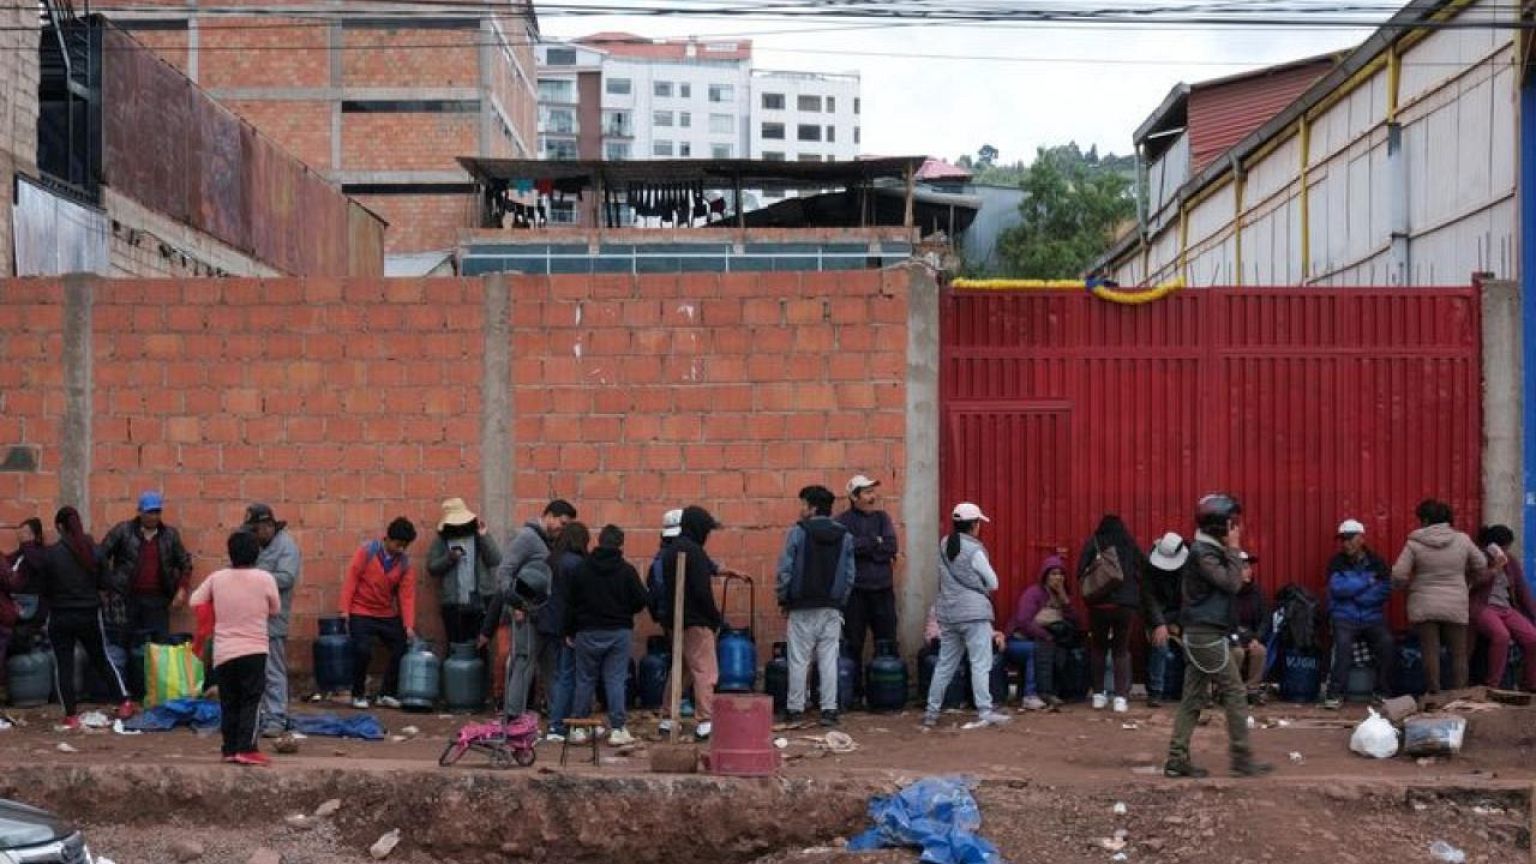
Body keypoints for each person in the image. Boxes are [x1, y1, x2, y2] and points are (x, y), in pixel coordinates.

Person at [1164, 494, 1271, 778]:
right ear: (1219, 527)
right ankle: (1241, 758)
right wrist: (1235, 550)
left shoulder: (1207, 550)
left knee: (1192, 698)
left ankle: (1177, 758)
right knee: (1235, 692)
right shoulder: (1204, 553)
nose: (1236, 528)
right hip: (1205, 636)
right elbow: (1232, 583)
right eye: (1231, 524)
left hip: (1203, 634)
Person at [21, 507, 134, 727]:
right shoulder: (93, 550)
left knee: (64, 666)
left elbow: (42, 588)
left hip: (60, 617)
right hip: (90, 614)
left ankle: (71, 715)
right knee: (102, 658)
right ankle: (124, 702)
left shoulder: (51, 555)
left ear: (60, 527)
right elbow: (105, 582)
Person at [190, 531, 280, 766]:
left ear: (230, 553)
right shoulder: (265, 578)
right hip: (254, 649)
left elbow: (195, 600)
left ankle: (229, 748)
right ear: (257, 553)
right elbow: (275, 609)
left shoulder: (217, 578)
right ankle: (247, 748)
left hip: (223, 651)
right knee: (251, 699)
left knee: (229, 700)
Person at [482, 499, 575, 717]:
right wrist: (516, 602)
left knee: (550, 667)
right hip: (527, 615)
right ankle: (513, 715)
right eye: (562, 522)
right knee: (523, 662)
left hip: (545, 616)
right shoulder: (527, 538)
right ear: (549, 516)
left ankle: (557, 718)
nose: (563, 528)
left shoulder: (548, 542)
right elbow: (504, 572)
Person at [923, 502, 1011, 729]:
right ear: (974, 525)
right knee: (980, 663)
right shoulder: (975, 550)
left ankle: (931, 712)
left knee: (945, 664)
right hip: (974, 613)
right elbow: (994, 582)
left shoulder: (945, 544)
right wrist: (978, 585)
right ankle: (985, 711)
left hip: (948, 612)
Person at [660, 505, 745, 739]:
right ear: (699, 529)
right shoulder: (693, 552)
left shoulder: (673, 550)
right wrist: (715, 618)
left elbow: (706, 568)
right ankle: (705, 721)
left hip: (676, 621)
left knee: (681, 670)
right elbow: (701, 591)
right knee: (705, 671)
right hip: (696, 621)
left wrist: (726, 571)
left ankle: (668, 718)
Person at [776, 485, 855, 726]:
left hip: (801, 606)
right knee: (829, 658)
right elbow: (850, 575)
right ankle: (829, 710)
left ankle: (795, 709)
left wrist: (783, 597)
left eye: (803, 505)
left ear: (812, 508)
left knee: (799, 659)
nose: (801, 510)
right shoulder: (845, 536)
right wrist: (840, 601)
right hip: (831, 606)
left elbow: (785, 570)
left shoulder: (798, 532)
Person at [564, 525, 648, 746]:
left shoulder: (582, 569)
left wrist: (570, 630)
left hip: (587, 632)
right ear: (620, 544)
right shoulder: (626, 571)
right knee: (615, 680)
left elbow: (571, 603)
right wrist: (624, 611)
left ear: (598, 542)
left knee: (584, 680)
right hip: (618, 632)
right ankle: (618, 729)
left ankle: (578, 727)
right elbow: (641, 599)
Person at [1391, 499, 1486, 695]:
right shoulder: (1462, 540)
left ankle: (1434, 692)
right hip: (1455, 602)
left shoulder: (1414, 543)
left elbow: (1399, 574)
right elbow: (1481, 564)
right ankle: (1460, 694)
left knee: (1430, 651)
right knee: (1459, 653)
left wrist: (1408, 587)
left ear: (1425, 520)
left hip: (1424, 603)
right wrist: (1469, 582)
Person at [340, 518, 418, 709]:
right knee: (363, 650)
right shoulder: (367, 551)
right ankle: (357, 694)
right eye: (398, 544)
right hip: (361, 610)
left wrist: (408, 625)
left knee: (401, 645)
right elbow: (351, 579)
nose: (400, 549)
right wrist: (345, 610)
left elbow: (406, 596)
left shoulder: (404, 564)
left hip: (385, 613)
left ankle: (386, 693)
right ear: (388, 539)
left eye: (404, 546)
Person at [99, 491, 193, 647]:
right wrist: (109, 584)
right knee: (127, 646)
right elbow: (101, 555)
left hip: (158, 601)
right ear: (140, 512)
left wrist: (182, 590)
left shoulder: (169, 536)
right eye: (150, 512)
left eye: (157, 512)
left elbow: (185, 563)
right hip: (126, 600)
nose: (154, 517)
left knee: (159, 647)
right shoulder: (123, 531)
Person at [1077, 514, 1146, 714]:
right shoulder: (1129, 544)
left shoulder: (1095, 542)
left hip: (1099, 605)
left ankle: (1098, 695)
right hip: (1125, 606)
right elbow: (1143, 567)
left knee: (1098, 648)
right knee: (1121, 650)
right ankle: (1120, 699)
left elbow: (1080, 570)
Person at [243, 503, 301, 737]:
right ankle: (259, 716)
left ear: (268, 527)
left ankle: (276, 717)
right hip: (250, 618)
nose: (253, 535)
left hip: (273, 620)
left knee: (272, 671)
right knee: (252, 672)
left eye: (256, 530)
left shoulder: (286, 547)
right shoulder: (255, 542)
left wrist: (253, 579)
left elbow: (286, 578)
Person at [1323, 519, 1394, 709]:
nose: (1345, 543)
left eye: (1349, 538)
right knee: (1343, 647)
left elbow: (1385, 589)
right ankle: (1335, 694)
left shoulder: (1377, 562)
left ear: (1361, 538)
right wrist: (1367, 582)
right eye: (1343, 540)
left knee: (1386, 643)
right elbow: (1337, 588)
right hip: (1344, 617)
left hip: (1371, 617)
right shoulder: (1336, 562)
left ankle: (1382, 691)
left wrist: (1356, 595)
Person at [836, 475, 898, 677]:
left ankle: (883, 692)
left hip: (883, 590)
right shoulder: (842, 522)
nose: (873, 497)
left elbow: (890, 547)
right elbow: (847, 548)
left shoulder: (882, 518)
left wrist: (865, 546)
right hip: (856, 592)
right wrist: (874, 541)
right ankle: (855, 692)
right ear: (854, 497)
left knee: (887, 641)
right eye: (867, 492)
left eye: (873, 492)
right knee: (853, 643)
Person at [425, 498, 502, 646]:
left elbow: (495, 559)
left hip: (480, 601)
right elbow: (432, 567)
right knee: (455, 647)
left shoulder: (478, 535)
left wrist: (484, 536)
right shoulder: (442, 540)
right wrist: (449, 558)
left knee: (480, 648)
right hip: (453, 603)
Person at [1005, 554, 1078, 710]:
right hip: (1018, 641)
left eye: (1061, 574)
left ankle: (1054, 692)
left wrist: (1064, 598)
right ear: (1045, 576)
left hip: (1045, 641)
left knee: (1060, 652)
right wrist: (1046, 636)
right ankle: (1030, 695)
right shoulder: (1034, 593)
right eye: (1053, 574)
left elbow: (1074, 621)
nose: (1058, 578)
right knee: (1037, 650)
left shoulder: (1061, 597)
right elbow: (1023, 621)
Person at [1471, 525, 1536, 691]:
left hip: (1505, 607)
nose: (1506, 551)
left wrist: (1533, 613)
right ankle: (1493, 685)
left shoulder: (1510, 561)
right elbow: (1474, 583)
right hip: (1483, 606)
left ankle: (1530, 684)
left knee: (1532, 638)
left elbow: (1522, 590)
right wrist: (1495, 568)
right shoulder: (1479, 559)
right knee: (1501, 636)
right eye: (1504, 547)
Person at [539, 522, 588, 741]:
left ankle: (555, 722)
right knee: (569, 675)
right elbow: (576, 600)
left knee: (557, 674)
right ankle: (563, 723)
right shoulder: (577, 564)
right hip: (567, 626)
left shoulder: (552, 560)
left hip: (548, 621)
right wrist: (573, 629)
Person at [1142, 532, 1189, 708]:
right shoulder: (1149, 567)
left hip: (1181, 617)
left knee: (1194, 644)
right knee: (1160, 644)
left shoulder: (1188, 566)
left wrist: (1179, 623)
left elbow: (1189, 599)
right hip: (1157, 616)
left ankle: (1193, 692)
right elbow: (1149, 598)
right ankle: (1156, 692)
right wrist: (1160, 623)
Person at [1, 519, 44, 701]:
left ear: (35, 536)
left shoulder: (35, 554)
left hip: (28, 604)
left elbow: (34, 567)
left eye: (25, 532)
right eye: (20, 531)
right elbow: (10, 579)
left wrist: (27, 546)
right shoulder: (15, 556)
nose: (21, 535)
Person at [1231, 551, 1268, 704]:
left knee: (1260, 650)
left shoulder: (1257, 593)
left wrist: (1256, 638)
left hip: (1251, 636)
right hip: (1231, 637)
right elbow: (1225, 622)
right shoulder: (1227, 593)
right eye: (1243, 567)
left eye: (1248, 567)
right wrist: (1238, 638)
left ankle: (1252, 689)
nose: (1248, 571)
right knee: (1237, 652)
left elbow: (1265, 619)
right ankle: (1230, 690)